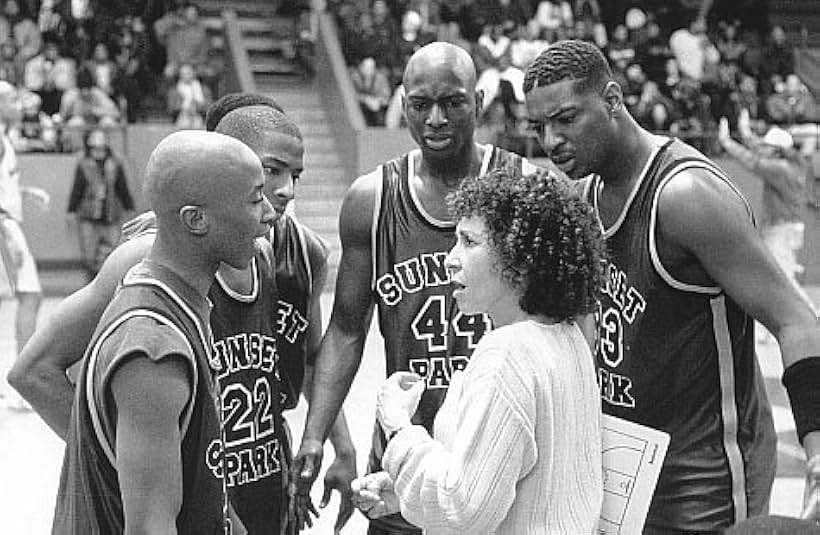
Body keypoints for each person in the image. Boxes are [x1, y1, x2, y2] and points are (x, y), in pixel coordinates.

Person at [9, 93, 358, 534]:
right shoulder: (149, 281)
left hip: (255, 490)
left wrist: (329, 442)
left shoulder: (292, 254)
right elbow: (34, 370)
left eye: (295, 174)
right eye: (269, 173)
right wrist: (137, 468)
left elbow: (309, 358)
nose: (284, 192)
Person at [522, 39, 820, 532]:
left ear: (613, 100)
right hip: (628, 472)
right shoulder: (586, 193)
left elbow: (797, 321)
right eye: (540, 127)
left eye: (566, 118)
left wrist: (816, 454)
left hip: (704, 482)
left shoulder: (685, 197)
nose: (551, 140)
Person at [291, 41, 544, 534]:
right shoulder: (372, 199)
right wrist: (314, 435)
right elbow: (346, 329)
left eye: (452, 102)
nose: (435, 119)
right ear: (402, 103)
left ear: (478, 101)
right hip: (404, 457)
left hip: (498, 458)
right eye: (420, 104)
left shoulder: (522, 187)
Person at [351, 168, 605, 533]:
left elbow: (462, 508)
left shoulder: (506, 354)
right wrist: (402, 490)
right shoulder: (568, 339)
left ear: (520, 260)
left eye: (469, 242)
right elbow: (514, 486)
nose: (450, 258)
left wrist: (398, 427)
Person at [52, 129, 276, 533]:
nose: (270, 214)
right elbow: (151, 527)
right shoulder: (153, 346)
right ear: (196, 219)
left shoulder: (179, 302)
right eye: (255, 199)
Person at [718, 117, 815, 314]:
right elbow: (759, 151)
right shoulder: (793, 164)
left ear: (777, 150)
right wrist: (744, 131)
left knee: (783, 279)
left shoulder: (778, 169)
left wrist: (727, 142)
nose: (764, 148)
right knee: (783, 277)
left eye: (769, 146)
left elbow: (752, 160)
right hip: (787, 228)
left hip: (780, 230)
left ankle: (811, 315)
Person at [0, 80, 49, 409]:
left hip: (6, 220)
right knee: (30, 295)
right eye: (11, 100)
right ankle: (23, 384)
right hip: (4, 226)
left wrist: (25, 192)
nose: (18, 105)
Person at [67, 128, 134, 279]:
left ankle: (110, 285)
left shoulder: (114, 163)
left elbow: (122, 186)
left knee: (114, 254)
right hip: (89, 216)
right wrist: (71, 209)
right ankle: (91, 284)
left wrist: (129, 207)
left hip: (110, 215)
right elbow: (77, 188)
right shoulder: (84, 163)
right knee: (90, 256)